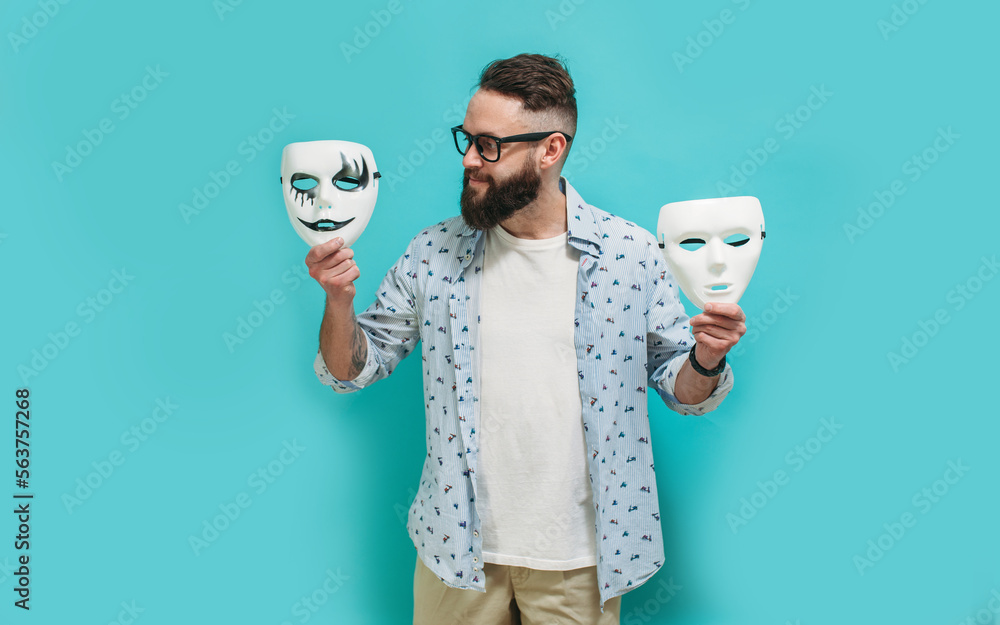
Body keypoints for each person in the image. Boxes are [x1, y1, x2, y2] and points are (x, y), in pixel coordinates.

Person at [306, 53, 746, 625]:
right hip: (454, 550)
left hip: (582, 560)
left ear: (550, 149)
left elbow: (682, 392)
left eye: (490, 145)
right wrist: (337, 300)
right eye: (466, 139)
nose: (469, 159)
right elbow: (349, 370)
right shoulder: (433, 253)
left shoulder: (630, 255)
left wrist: (707, 358)